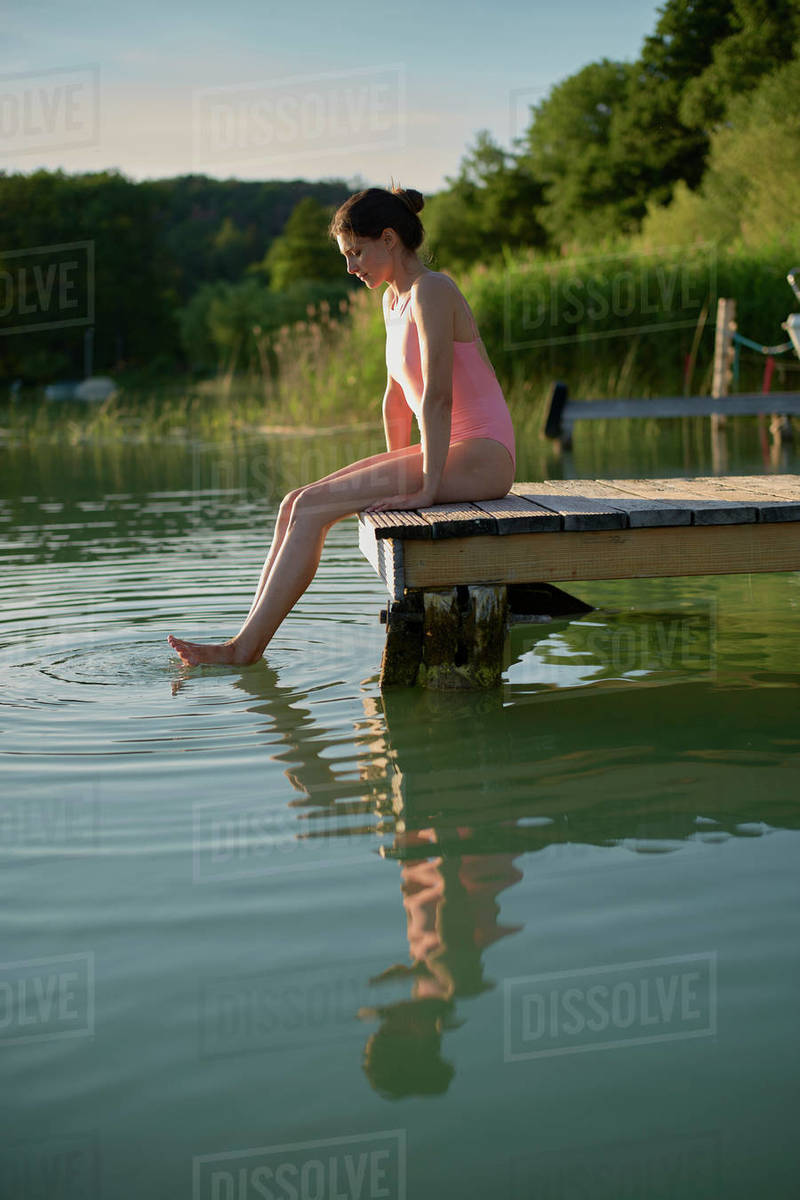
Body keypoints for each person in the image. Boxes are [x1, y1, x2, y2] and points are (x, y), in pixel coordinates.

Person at [167, 185, 515, 667]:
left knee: (312, 509)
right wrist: (400, 466)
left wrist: (426, 489)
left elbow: (438, 396)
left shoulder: (433, 290)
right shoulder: (393, 301)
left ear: (389, 239)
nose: (351, 267)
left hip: (482, 455)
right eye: (346, 256)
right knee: (295, 503)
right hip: (452, 450)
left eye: (356, 252)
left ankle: (242, 650)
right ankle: (241, 641)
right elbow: (395, 401)